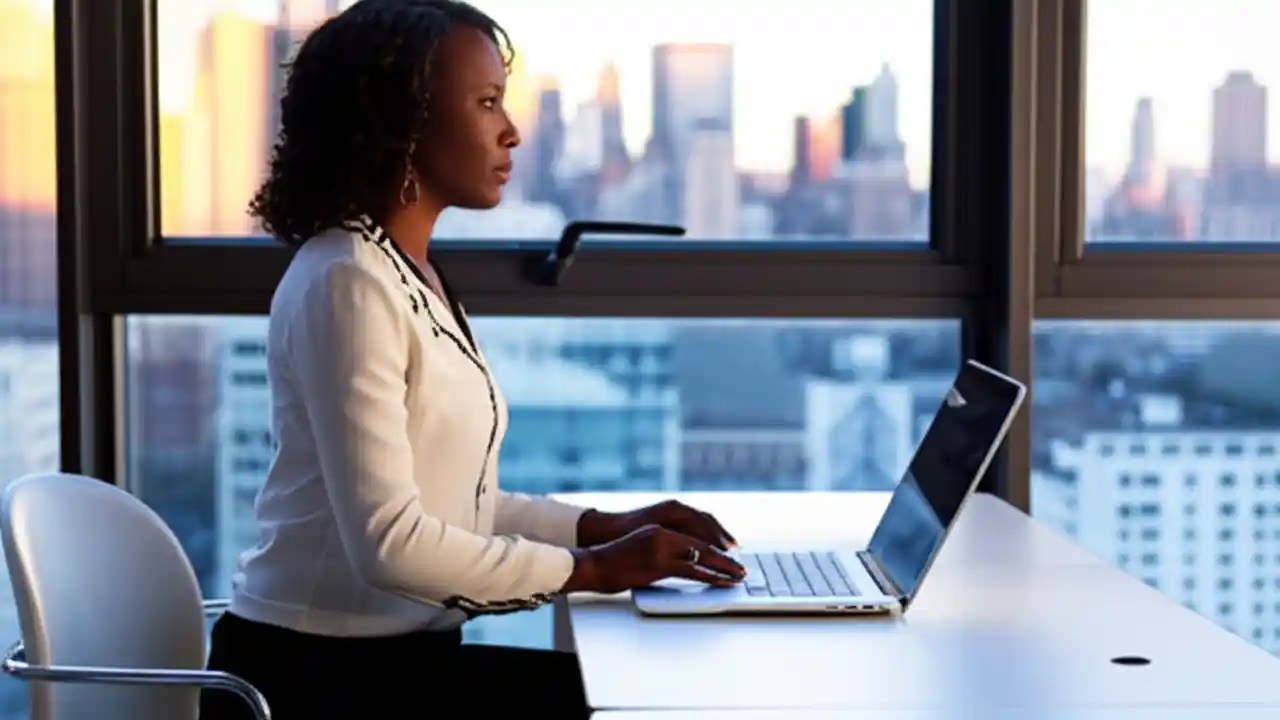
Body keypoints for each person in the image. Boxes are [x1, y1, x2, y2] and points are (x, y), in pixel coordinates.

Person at [197, 1, 746, 718]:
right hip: (313, 683)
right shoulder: (348, 280)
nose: (511, 131)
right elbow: (393, 544)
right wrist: (592, 570)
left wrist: (600, 527)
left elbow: (453, 504)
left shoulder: (402, 271)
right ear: (401, 124)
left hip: (396, 664)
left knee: (650, 696)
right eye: (486, 103)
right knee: (646, 706)